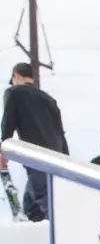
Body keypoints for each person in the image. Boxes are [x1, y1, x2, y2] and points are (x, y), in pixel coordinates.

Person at [0, 62, 68, 221]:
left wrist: (3, 149)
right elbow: (60, 134)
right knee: (31, 207)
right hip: (57, 160)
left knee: (48, 204)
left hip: (38, 159)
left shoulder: (14, 92)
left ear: (16, 75)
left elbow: (8, 121)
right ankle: (33, 234)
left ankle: (66, 237)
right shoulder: (50, 100)